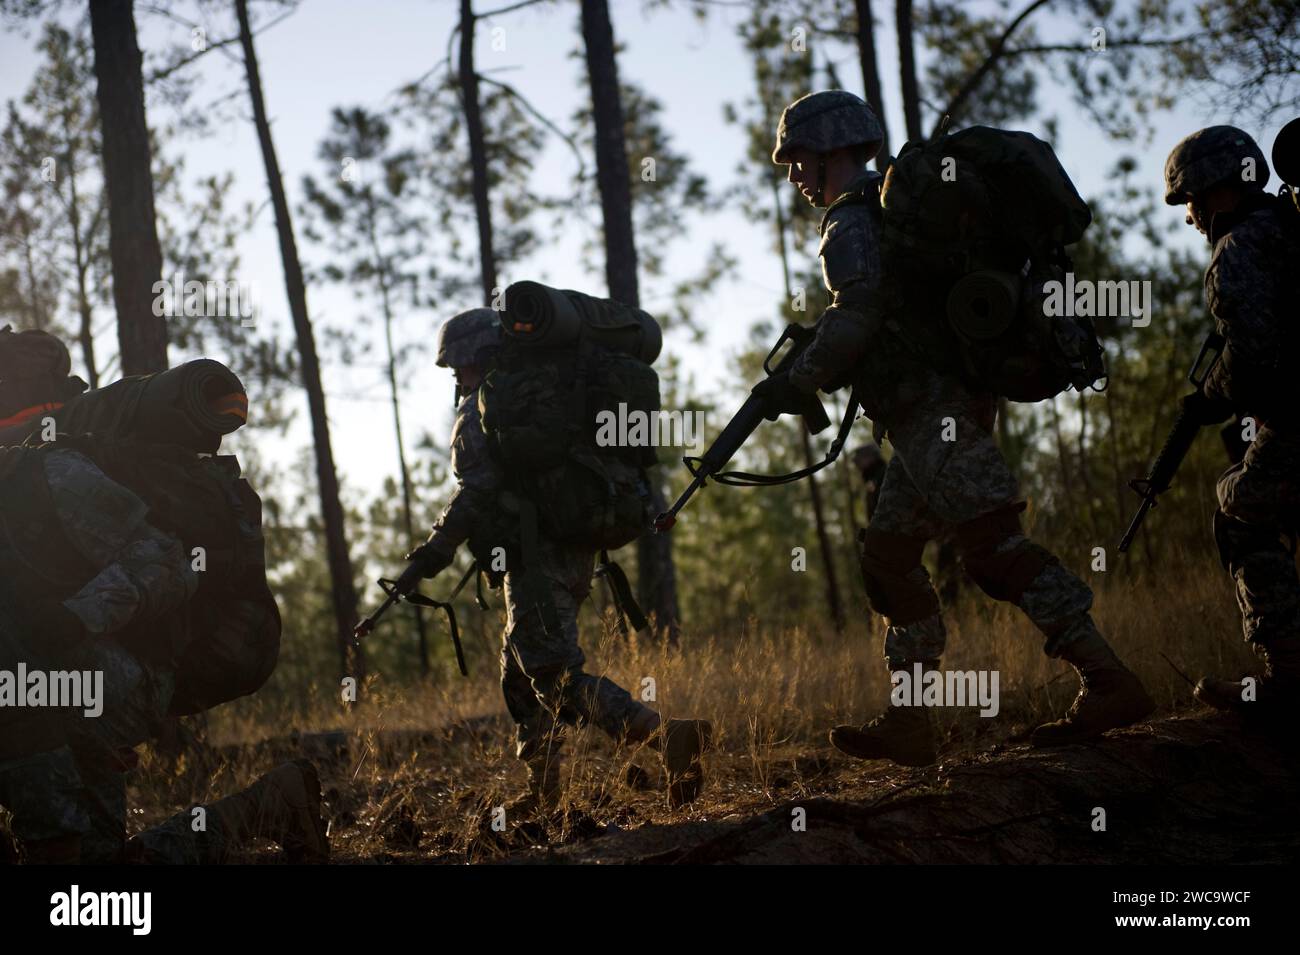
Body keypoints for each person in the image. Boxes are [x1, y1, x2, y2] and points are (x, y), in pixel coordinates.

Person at [760, 91, 1153, 765]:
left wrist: (798, 378)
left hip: (932, 414)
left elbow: (854, 318)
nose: (794, 175)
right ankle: (911, 722)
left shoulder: (852, 224)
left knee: (994, 548)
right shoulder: (889, 215)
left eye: (798, 159)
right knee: (888, 559)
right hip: (924, 416)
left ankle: (1108, 677)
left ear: (831, 149)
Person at [0, 327, 327, 864]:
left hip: (100, 688)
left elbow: (166, 562)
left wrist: (75, 619)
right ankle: (271, 804)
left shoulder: (49, 473)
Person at [404, 308, 711, 811]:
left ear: (476, 356)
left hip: (537, 555)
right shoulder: (542, 395)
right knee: (520, 676)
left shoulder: (488, 405)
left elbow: (475, 491)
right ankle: (543, 793)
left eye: (457, 366)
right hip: (567, 546)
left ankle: (665, 736)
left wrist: (432, 554)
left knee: (551, 674)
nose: (455, 377)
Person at [1161, 126, 1300, 716]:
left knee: (1239, 508)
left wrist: (1211, 396)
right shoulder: (1291, 226)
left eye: (1190, 202)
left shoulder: (1240, 248)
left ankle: (1288, 675)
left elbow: (1252, 354)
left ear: (1217, 195)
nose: (1190, 218)